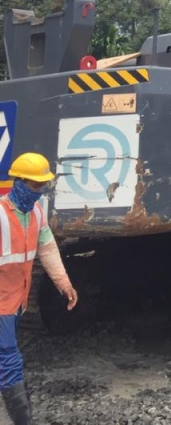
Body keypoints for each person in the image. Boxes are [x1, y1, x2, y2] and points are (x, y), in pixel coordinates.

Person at [0, 152, 77, 425]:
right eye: (35, 186)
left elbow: (47, 247)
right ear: (18, 182)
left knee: (6, 357)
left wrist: (63, 282)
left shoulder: (35, 213)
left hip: (16, 301)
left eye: (42, 186)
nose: (39, 191)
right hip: (1, 305)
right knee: (9, 359)